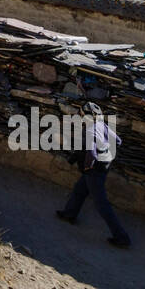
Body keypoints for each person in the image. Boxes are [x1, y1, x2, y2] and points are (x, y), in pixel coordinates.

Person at [56, 103, 131, 249]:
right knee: (80, 190)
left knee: (102, 204)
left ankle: (122, 238)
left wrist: (87, 167)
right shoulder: (101, 125)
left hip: (94, 171)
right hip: (104, 166)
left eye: (82, 114)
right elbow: (118, 141)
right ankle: (69, 214)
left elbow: (91, 154)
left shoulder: (90, 131)